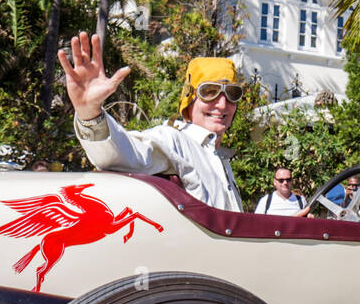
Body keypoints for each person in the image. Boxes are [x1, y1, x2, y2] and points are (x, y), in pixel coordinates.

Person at [60, 31, 245, 211]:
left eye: (232, 94)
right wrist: (90, 112)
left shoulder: (218, 157)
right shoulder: (175, 141)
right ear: (189, 99)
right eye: (209, 92)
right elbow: (125, 154)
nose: (222, 104)